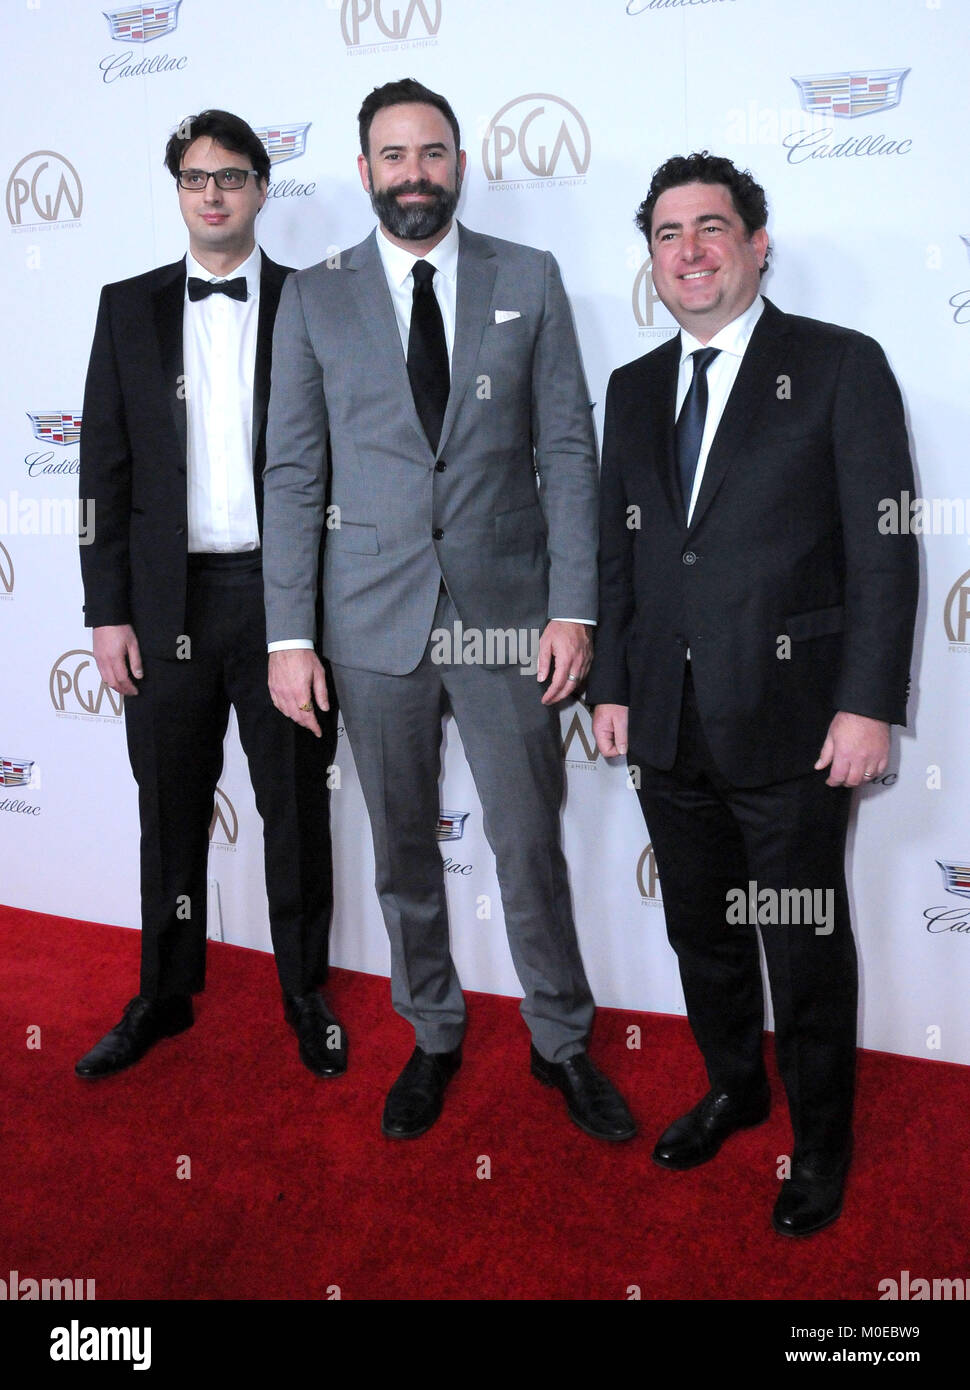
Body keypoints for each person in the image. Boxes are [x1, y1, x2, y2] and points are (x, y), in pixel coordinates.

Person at [263, 78, 634, 1142]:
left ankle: (559, 1039)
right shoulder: (317, 295)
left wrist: (574, 607)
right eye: (393, 155)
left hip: (511, 615)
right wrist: (291, 633)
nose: (413, 172)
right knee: (400, 851)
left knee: (528, 843)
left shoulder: (530, 277)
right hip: (366, 622)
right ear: (366, 168)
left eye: (431, 153)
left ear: (460, 165)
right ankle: (431, 1030)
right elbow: (294, 470)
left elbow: (567, 447)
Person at [589, 152, 918, 1234]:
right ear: (651, 257)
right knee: (704, 932)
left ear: (756, 243)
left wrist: (868, 703)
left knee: (801, 946)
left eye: (711, 227)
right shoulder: (633, 389)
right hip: (665, 725)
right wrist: (612, 688)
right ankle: (734, 1084)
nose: (689, 250)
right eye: (668, 233)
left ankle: (820, 1143)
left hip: (794, 728)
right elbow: (619, 555)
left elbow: (883, 552)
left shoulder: (836, 366)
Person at [76, 109, 345, 1081]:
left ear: (263, 188)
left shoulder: (320, 306)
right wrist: (106, 611)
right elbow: (101, 475)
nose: (214, 192)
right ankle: (163, 990)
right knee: (170, 806)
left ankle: (304, 990)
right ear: (179, 192)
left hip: (285, 605)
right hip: (165, 606)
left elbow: (353, 462)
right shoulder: (126, 308)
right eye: (196, 178)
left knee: (294, 807)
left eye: (231, 175)